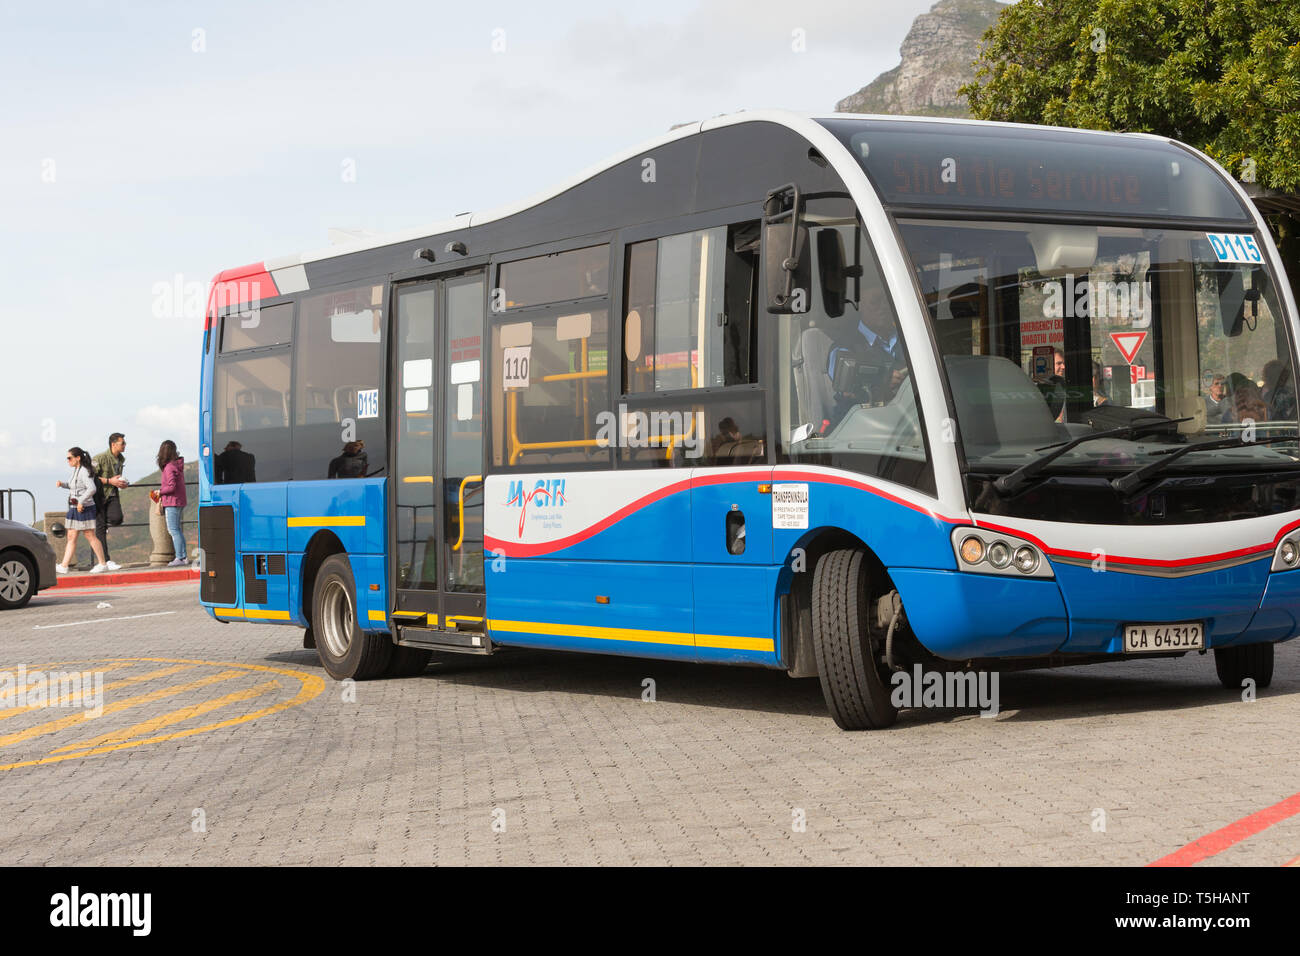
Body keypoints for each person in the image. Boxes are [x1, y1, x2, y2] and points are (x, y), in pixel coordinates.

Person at [54, 447, 108, 574]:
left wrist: (81, 501)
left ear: (78, 458)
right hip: (75, 508)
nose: (68, 461)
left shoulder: (83, 471)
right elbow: (74, 486)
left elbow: (92, 488)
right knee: (72, 536)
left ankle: (102, 563)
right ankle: (64, 565)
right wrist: (62, 484)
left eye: (69, 458)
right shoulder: (76, 470)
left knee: (90, 535)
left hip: (83, 508)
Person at [92, 432, 128, 571]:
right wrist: (109, 481)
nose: (125, 445)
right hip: (99, 496)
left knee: (117, 518)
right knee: (100, 528)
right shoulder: (99, 458)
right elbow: (91, 477)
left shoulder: (120, 459)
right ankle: (105, 561)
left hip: (113, 495)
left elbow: (116, 478)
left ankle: (102, 524)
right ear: (113, 444)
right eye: (122, 443)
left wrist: (122, 483)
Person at [156, 440, 189, 567]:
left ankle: (180, 557)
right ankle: (183, 556)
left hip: (172, 502)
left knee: (173, 530)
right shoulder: (176, 465)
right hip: (179, 500)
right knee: (177, 530)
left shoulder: (169, 467)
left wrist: (160, 491)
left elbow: (171, 487)